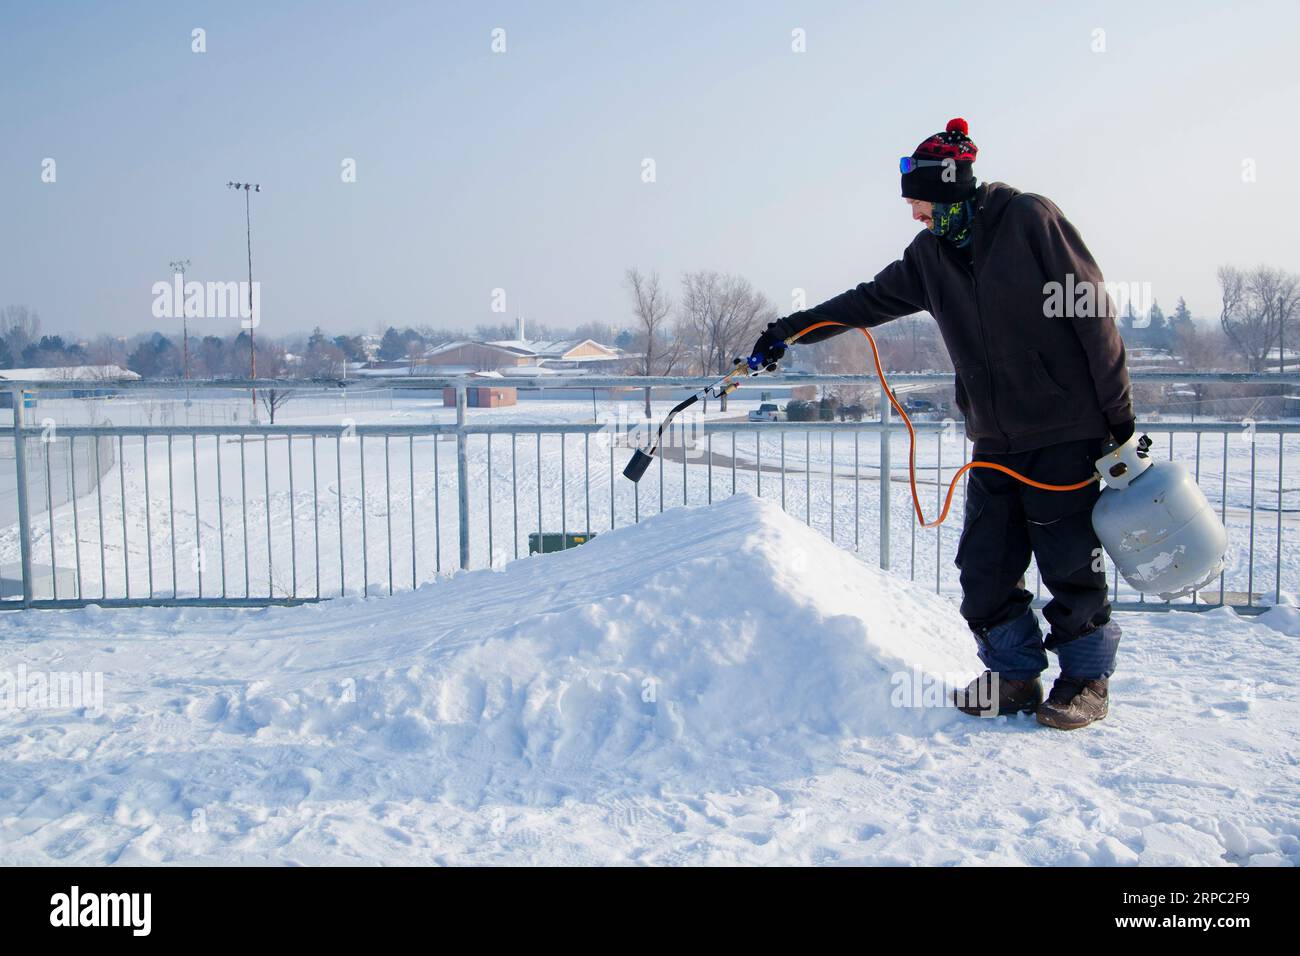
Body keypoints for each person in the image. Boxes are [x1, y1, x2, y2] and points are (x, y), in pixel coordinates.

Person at [747, 118, 1132, 730]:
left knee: (1068, 562)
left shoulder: (1030, 220)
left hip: (1066, 427)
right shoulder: (931, 258)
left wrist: (1119, 420)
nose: (916, 218)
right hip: (994, 440)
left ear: (951, 192)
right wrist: (787, 330)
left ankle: (1085, 682)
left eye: (920, 205)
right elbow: (864, 301)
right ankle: (1013, 677)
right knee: (982, 566)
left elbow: (1093, 315)